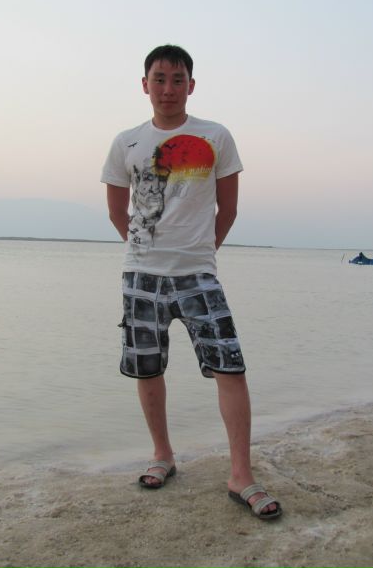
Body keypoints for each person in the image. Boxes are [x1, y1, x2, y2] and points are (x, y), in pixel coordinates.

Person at [101, 44, 281, 520]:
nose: (168, 89)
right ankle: (162, 455)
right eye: (159, 79)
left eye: (177, 79)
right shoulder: (127, 142)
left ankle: (240, 474)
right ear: (145, 85)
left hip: (199, 275)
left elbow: (229, 209)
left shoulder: (215, 135)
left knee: (230, 367)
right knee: (147, 368)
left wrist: (201, 252)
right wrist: (145, 251)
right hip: (141, 275)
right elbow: (118, 212)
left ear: (191, 86)